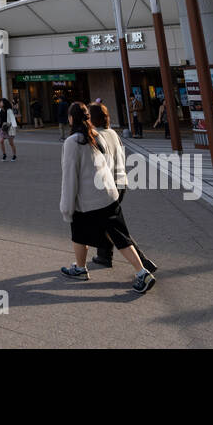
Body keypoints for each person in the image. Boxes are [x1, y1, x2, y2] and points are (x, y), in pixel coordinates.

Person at [59, 102, 155, 293]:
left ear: (71, 118)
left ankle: (80, 269)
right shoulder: (96, 135)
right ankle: (141, 272)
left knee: (78, 233)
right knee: (120, 237)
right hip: (109, 195)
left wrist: (66, 207)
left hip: (88, 201)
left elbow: (70, 177)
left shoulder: (72, 142)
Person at [89, 102, 158, 275]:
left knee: (114, 227)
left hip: (107, 185)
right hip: (121, 182)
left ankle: (142, 262)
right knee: (104, 222)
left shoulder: (95, 136)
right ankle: (104, 255)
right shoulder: (113, 133)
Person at [0, 96, 18, 161]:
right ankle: (4, 155)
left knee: (11, 143)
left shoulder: (9, 110)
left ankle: (14, 155)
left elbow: (12, 119)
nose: (0, 104)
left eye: (1, 102)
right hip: (2, 128)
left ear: (4, 103)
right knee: (1, 141)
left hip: (8, 128)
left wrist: (14, 127)